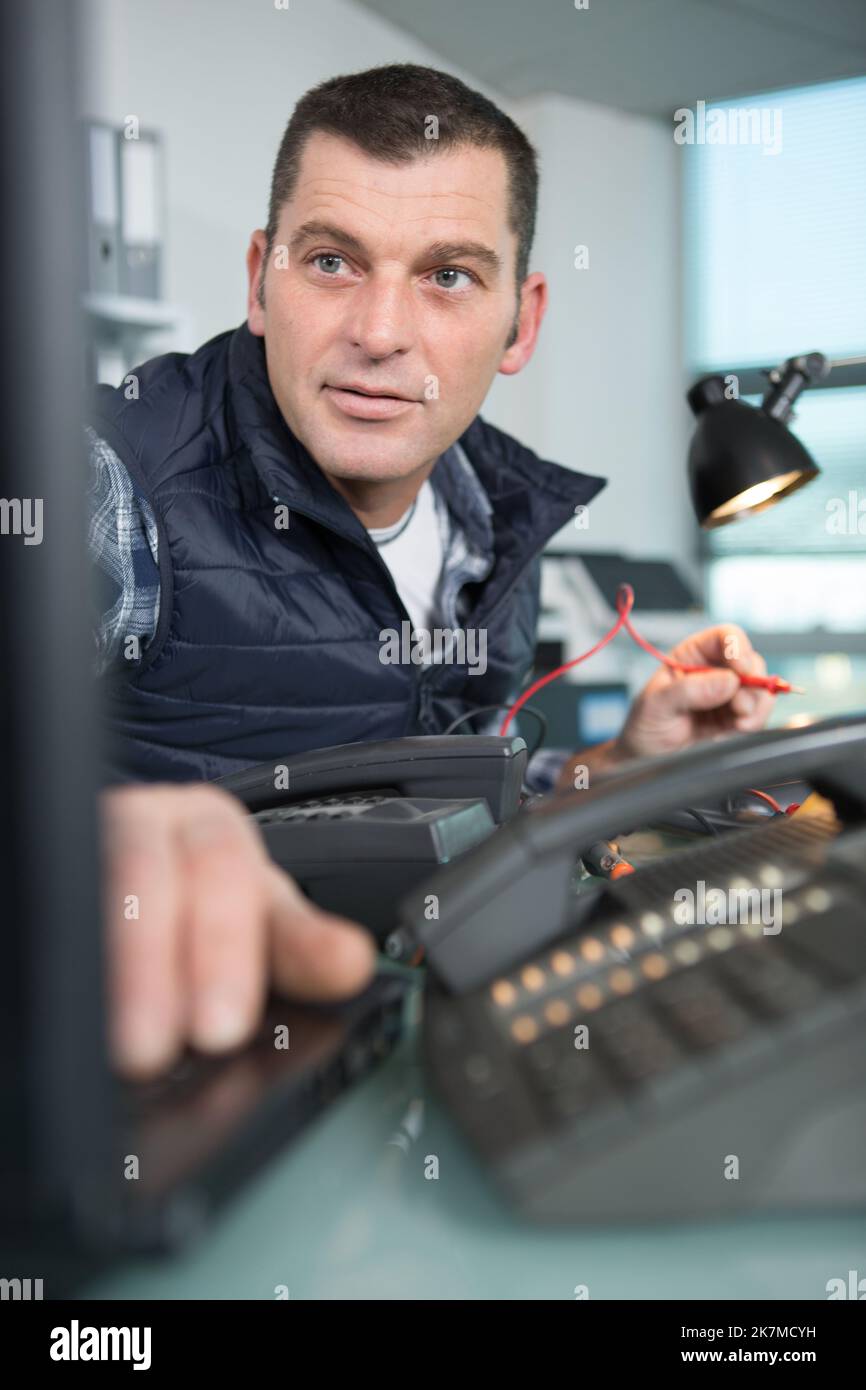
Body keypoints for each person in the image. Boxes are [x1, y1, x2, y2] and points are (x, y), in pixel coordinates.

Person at [90, 64, 773, 1078]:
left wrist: (606, 773)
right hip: (159, 1082)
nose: (378, 332)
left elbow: (448, 780)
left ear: (519, 321)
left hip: (407, 1054)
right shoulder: (109, 484)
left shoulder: (490, 518)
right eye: (330, 262)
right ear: (258, 281)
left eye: (446, 276)